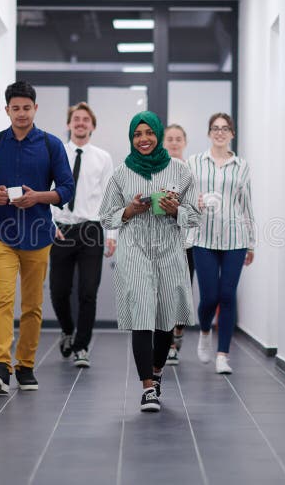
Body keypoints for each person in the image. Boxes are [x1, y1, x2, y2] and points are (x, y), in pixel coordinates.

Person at [0, 81, 75, 394]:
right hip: (0, 235)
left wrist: (38, 197)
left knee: (32, 305)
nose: (21, 113)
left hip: (38, 235)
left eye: (26, 108)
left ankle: (26, 366)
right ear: (7, 110)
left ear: (35, 109)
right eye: (15, 108)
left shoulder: (51, 145)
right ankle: (1, 366)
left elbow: (67, 189)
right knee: (2, 299)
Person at [99, 111, 200, 412]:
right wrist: (128, 211)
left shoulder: (181, 172)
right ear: (131, 138)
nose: (143, 139)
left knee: (166, 316)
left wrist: (174, 211)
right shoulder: (120, 174)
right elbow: (105, 217)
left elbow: (195, 216)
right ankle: (147, 389)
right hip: (134, 251)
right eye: (137, 134)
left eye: (148, 133)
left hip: (170, 249)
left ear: (158, 135)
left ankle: (157, 373)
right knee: (142, 313)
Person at [49, 102, 116, 368]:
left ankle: (81, 347)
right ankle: (67, 329)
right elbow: (47, 190)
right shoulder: (56, 153)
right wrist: (49, 224)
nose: (80, 123)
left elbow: (110, 199)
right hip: (61, 227)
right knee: (58, 291)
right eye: (76, 119)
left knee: (88, 291)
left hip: (91, 228)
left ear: (92, 126)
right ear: (68, 124)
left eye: (85, 120)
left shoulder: (103, 158)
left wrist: (112, 235)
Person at [188, 113, 255, 374]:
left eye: (225, 128)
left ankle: (222, 355)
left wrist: (251, 243)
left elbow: (247, 204)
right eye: (215, 128)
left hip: (235, 238)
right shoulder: (194, 163)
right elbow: (181, 196)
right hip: (203, 237)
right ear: (208, 133)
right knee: (209, 297)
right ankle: (205, 330)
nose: (219, 132)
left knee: (227, 296)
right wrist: (195, 200)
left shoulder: (242, 166)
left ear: (232, 134)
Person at [161, 124, 195, 365]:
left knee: (183, 293)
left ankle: (178, 332)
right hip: (162, 243)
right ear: (164, 143)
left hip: (188, 242)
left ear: (185, 142)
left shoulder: (192, 170)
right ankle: (168, 343)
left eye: (178, 139)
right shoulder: (158, 171)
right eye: (170, 139)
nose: (173, 143)